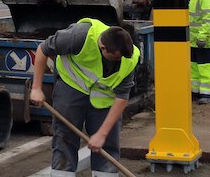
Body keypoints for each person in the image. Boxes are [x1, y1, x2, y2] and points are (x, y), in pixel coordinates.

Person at [30, 18, 139, 177]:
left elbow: (122, 97)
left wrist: (101, 134)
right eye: (116, 58)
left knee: (107, 140)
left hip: (103, 97)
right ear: (103, 48)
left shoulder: (130, 58)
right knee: (65, 137)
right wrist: (36, 88)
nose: (120, 61)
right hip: (71, 86)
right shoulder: (79, 36)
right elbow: (43, 49)